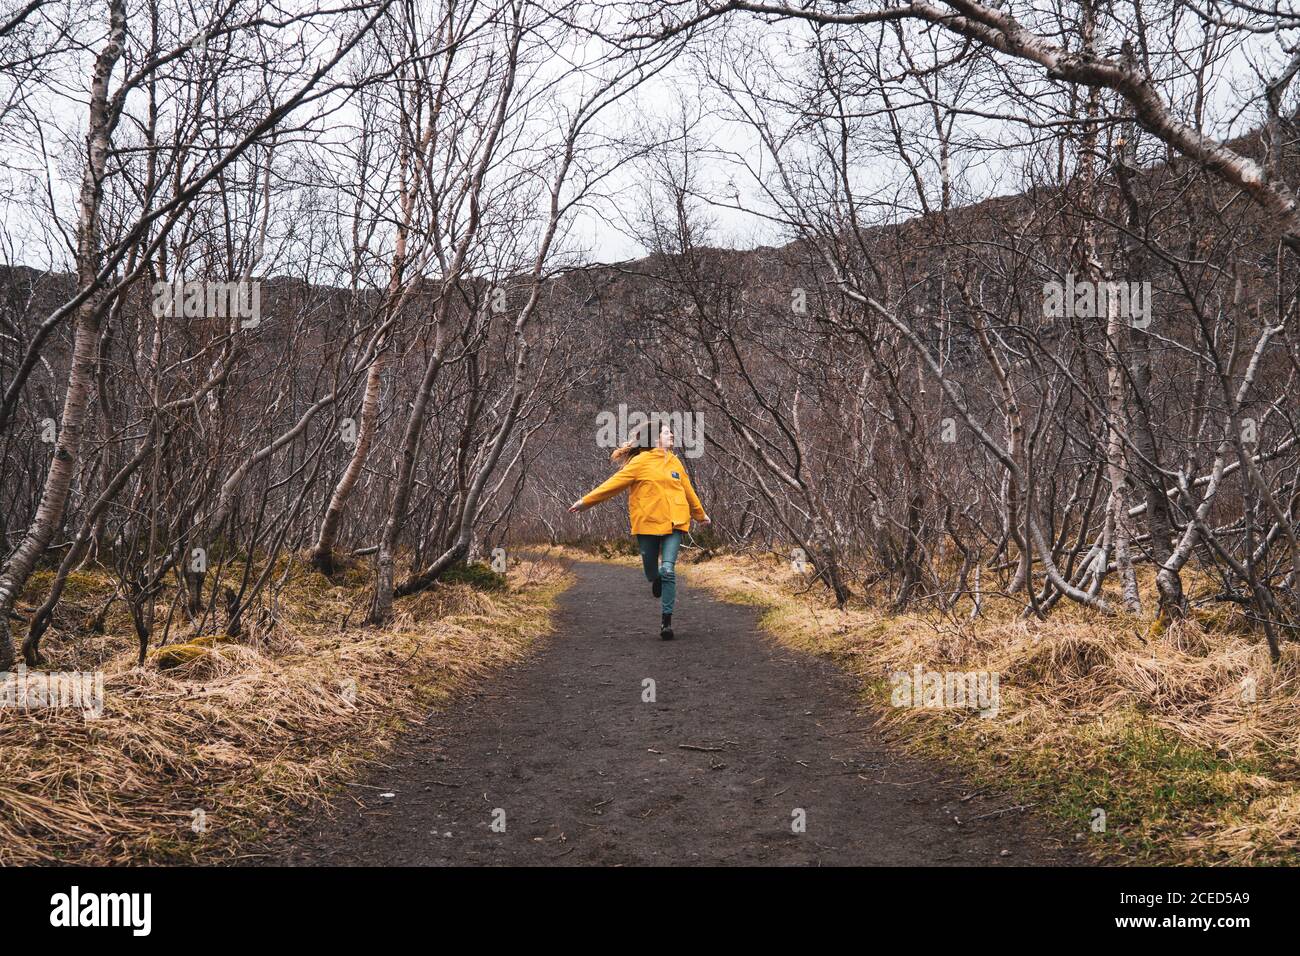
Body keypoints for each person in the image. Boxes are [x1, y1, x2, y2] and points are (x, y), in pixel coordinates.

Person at [569, 422, 710, 639]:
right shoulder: (639, 463)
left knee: (668, 570)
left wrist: (700, 515)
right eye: (666, 432)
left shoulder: (675, 462)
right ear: (654, 439)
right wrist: (585, 502)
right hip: (647, 524)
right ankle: (656, 579)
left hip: (676, 522)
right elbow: (612, 485)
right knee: (652, 572)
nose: (671, 434)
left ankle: (666, 622)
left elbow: (688, 491)